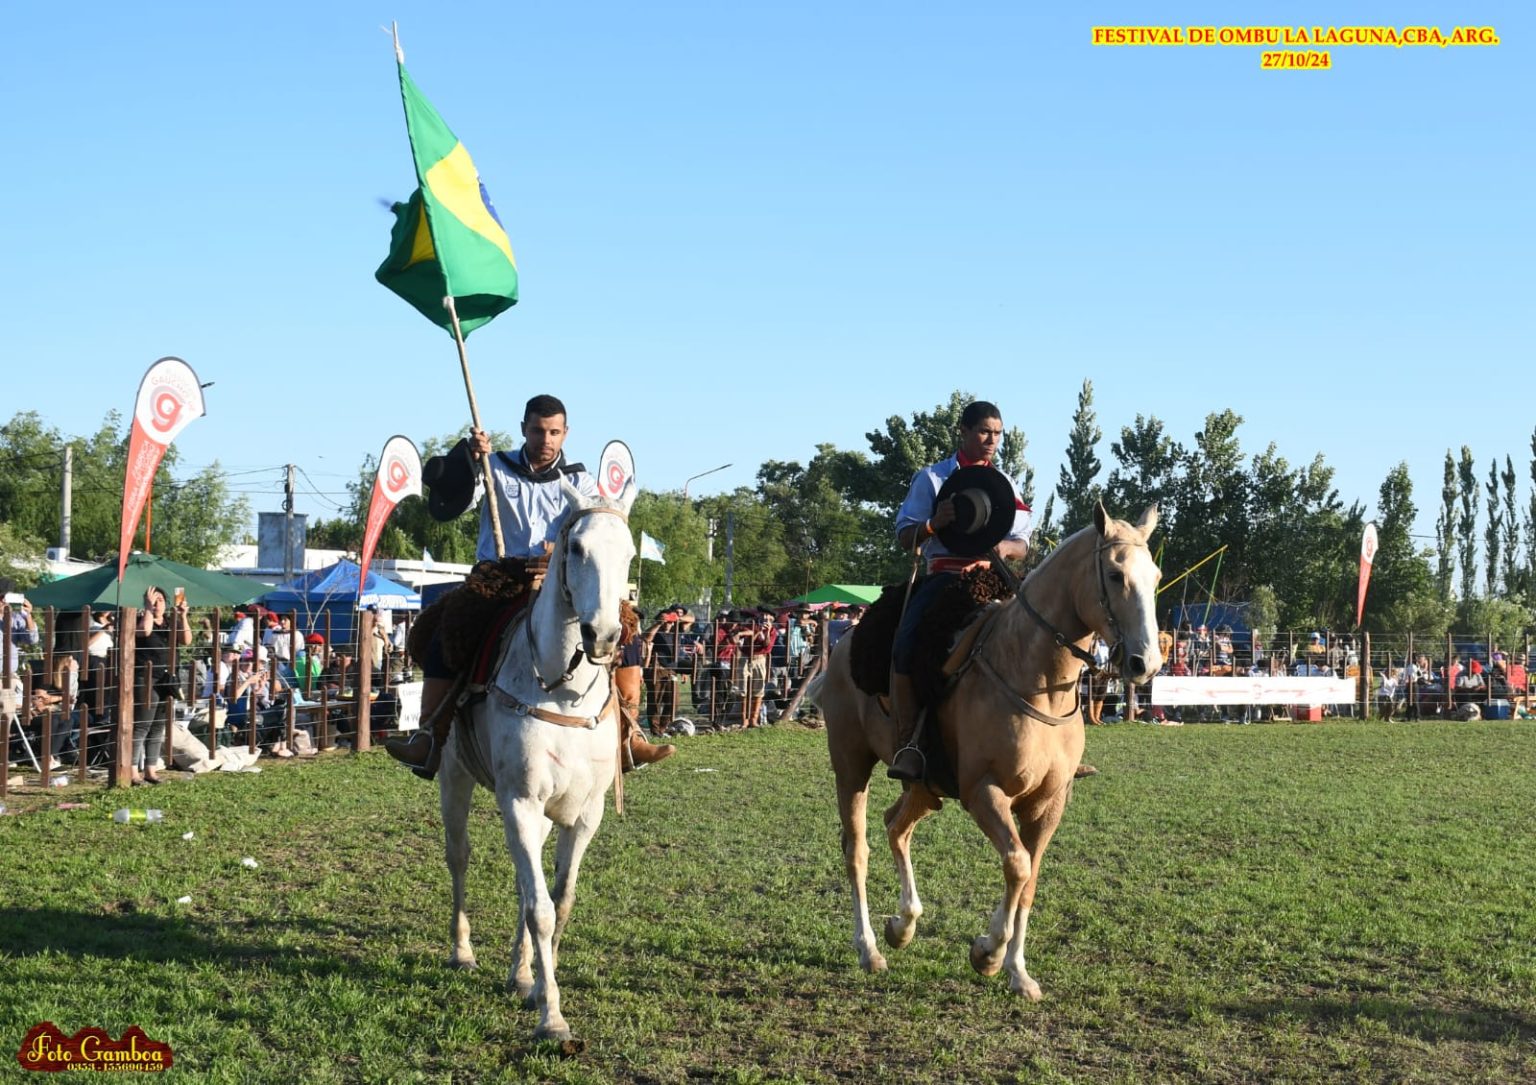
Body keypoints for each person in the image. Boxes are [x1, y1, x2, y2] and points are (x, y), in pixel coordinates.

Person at [387, 394, 672, 777]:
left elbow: (592, 527)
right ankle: (429, 736)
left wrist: (556, 553)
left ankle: (629, 736)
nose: (546, 439)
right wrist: (469, 461)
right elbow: (452, 502)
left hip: (560, 581)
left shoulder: (579, 480)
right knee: (447, 628)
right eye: (538, 430)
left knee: (627, 629)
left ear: (566, 433)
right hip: (499, 578)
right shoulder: (494, 466)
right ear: (524, 429)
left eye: (554, 431)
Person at [888, 400, 1031, 782]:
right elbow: (905, 536)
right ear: (964, 432)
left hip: (993, 577)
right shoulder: (932, 479)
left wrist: (1005, 549)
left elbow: (1023, 542)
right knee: (906, 644)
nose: (992, 440)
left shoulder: (1006, 484)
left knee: (1044, 633)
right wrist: (934, 524)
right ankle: (910, 742)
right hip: (943, 578)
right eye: (984, 431)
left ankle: (1056, 745)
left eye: (998, 433)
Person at [132, 585, 192, 785]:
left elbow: (186, 640)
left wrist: (183, 616)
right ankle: (132, 771)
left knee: (158, 727)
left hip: (167, 679)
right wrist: (148, 609)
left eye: (160, 600)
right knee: (142, 725)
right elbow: (144, 631)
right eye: (153, 600)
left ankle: (151, 770)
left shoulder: (170, 622)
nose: (157, 604)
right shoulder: (139, 619)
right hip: (146, 677)